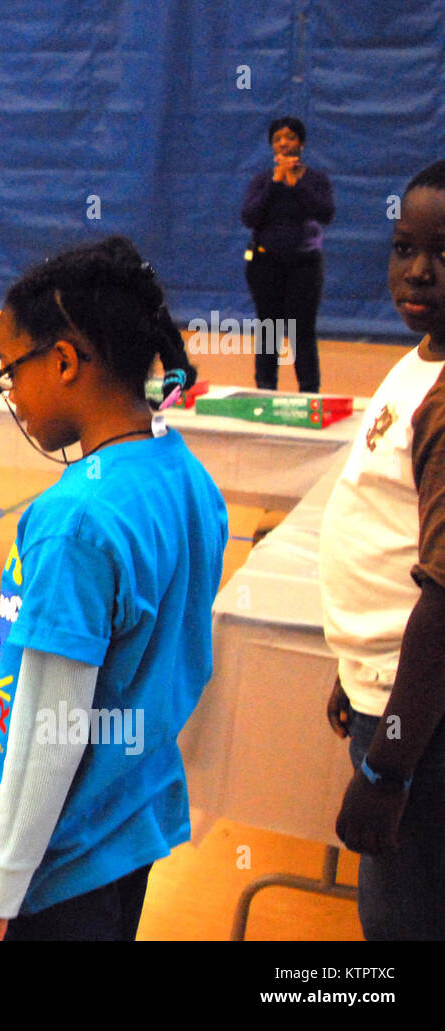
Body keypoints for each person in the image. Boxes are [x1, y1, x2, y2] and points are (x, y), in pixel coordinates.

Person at [0, 237, 227, 941]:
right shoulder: (182, 473)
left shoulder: (74, 520)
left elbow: (45, 735)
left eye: (11, 374)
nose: (11, 395)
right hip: (129, 824)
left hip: (56, 869)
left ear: (62, 361)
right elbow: (136, 619)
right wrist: (5, 590)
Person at [320, 159, 445, 940]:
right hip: (388, 694)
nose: (420, 270)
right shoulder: (421, 354)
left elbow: (444, 601)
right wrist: (353, 667)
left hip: (422, 730)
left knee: (403, 921)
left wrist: (388, 767)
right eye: (405, 247)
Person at [240, 115, 335, 393]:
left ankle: (308, 390)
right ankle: (265, 388)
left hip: (304, 264)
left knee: (301, 329)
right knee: (269, 328)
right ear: (272, 146)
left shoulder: (316, 180)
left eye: (290, 137)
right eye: (278, 138)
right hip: (265, 264)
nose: (284, 142)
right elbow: (249, 216)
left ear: (301, 144)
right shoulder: (262, 181)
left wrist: (297, 184)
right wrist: (275, 183)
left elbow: (325, 213)